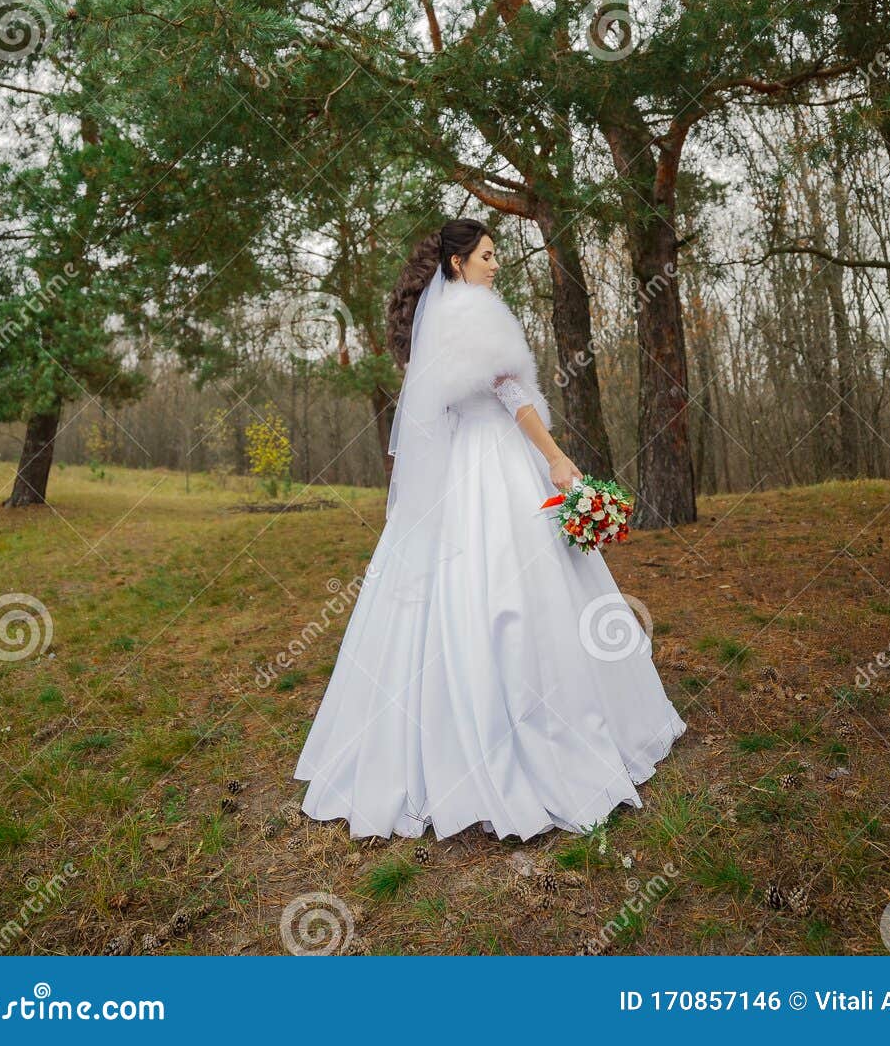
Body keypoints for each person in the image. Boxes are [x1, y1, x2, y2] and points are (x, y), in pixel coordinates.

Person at [292, 218, 686, 841]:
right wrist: (555, 457)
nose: (495, 264)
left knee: (462, 589)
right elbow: (508, 391)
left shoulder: (438, 321)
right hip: (496, 459)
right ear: (457, 264)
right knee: (519, 585)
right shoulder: (473, 312)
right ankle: (534, 735)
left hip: (460, 461)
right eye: (486, 254)